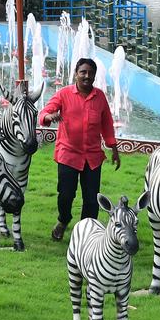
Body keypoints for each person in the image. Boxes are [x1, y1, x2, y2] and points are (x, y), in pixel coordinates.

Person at [39, 58, 121, 241]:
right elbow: (44, 112)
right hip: (68, 154)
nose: (87, 76)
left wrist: (113, 148)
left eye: (90, 73)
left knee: (92, 198)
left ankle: (86, 232)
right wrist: (49, 116)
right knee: (66, 194)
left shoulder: (99, 97)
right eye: (83, 72)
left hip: (92, 156)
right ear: (76, 73)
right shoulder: (63, 94)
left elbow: (107, 124)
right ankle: (63, 220)